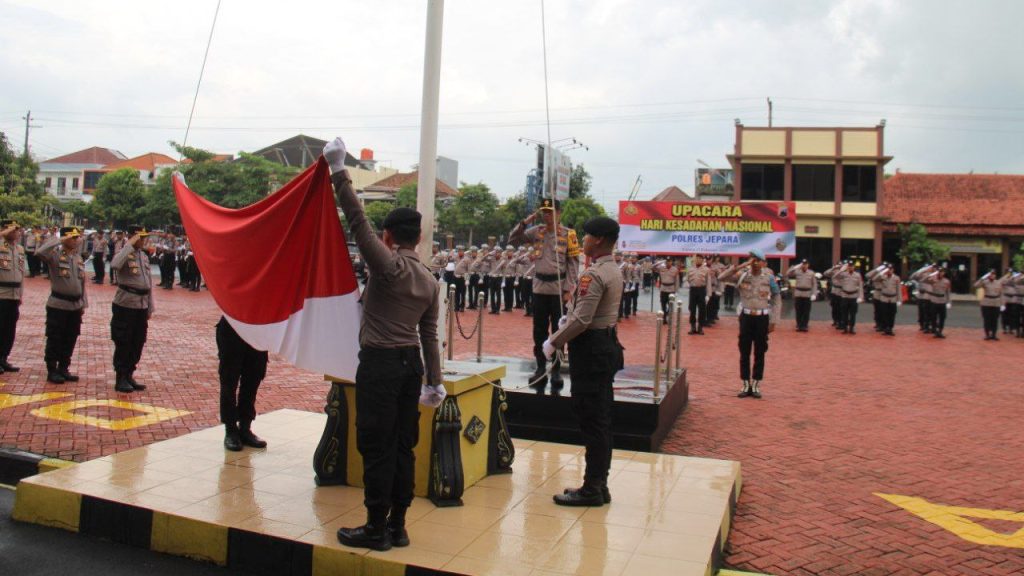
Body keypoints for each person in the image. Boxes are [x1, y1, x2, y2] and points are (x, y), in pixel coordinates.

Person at [325, 137, 443, 552]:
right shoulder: (430, 279)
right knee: (403, 447)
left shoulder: (388, 266)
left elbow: (356, 219)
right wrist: (435, 381)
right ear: (419, 235)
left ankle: (375, 528)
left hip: (380, 364)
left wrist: (338, 169)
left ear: (389, 235)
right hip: (411, 366)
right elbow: (429, 334)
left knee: (375, 446)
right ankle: (398, 525)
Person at [545, 216, 623, 507]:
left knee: (592, 418)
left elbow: (582, 319)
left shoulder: (595, 273)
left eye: (587, 235)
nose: (583, 241)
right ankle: (598, 484)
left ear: (599, 239)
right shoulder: (610, 269)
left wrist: (553, 341)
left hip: (592, 349)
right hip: (604, 345)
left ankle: (592, 487)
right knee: (600, 418)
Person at [509, 198, 581, 390]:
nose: (547, 215)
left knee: (558, 331)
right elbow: (513, 240)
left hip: (558, 289)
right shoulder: (536, 231)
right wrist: (525, 222)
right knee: (539, 330)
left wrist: (568, 289)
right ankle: (540, 367)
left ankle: (556, 369)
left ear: (559, 213)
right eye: (544, 212)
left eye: (550, 211)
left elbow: (574, 263)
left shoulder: (568, 234)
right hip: (539, 287)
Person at [719, 250, 781, 399]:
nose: (755, 263)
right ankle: (745, 383)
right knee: (744, 351)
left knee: (760, 351)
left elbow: (776, 298)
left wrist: (774, 321)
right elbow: (722, 277)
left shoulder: (769, 278)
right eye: (753, 259)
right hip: (746, 318)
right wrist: (741, 266)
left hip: (762, 318)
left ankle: (756, 383)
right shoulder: (742, 275)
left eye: (759, 260)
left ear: (764, 263)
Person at [36, 226, 88, 384]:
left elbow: (82, 282)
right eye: (73, 237)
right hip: (58, 304)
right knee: (55, 338)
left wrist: (83, 303)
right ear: (66, 238)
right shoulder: (55, 255)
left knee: (70, 337)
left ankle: (64, 367)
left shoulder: (78, 258)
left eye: (77, 237)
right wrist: (59, 240)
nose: (77, 240)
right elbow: (39, 253)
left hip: (75, 305)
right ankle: (52, 369)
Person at [110, 225, 154, 393]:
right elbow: (115, 264)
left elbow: (148, 283)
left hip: (141, 304)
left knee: (138, 341)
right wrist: (130, 244)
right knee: (124, 341)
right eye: (140, 237)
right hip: (125, 304)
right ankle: (120, 377)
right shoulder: (123, 252)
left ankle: (129, 374)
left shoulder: (143, 256)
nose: (143, 240)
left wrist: (150, 306)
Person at [217, 316, 269, 451]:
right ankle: (230, 430)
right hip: (232, 325)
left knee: (253, 379)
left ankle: (245, 428)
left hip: (258, 329)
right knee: (229, 381)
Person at [0, 220, 26, 373]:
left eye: (18, 229)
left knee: (10, 329)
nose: (16, 232)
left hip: (14, 294)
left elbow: (21, 273)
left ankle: (3, 358)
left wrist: (20, 294)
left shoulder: (20, 249)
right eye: (13, 229)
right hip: (1, 293)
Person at [868, 264, 901, 336]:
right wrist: (881, 272)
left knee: (892, 314)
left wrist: (899, 300)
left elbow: (898, 289)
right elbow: (873, 278)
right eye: (888, 269)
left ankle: (890, 328)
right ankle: (886, 328)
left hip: (893, 298)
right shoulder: (883, 277)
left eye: (891, 269)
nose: (889, 271)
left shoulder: (896, 278)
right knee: (884, 313)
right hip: (884, 298)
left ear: (893, 270)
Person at [786, 259, 818, 332]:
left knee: (806, 311)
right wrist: (795, 267)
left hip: (807, 293)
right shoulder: (797, 271)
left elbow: (814, 284)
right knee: (798, 310)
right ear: (801, 264)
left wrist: (814, 294)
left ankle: (805, 325)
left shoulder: (811, 273)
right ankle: (799, 325)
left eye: (806, 264)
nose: (804, 265)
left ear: (808, 265)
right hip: (798, 293)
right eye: (803, 264)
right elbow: (788, 273)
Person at [974, 270, 1003, 340]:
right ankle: (987, 334)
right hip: (986, 302)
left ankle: (994, 334)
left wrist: (1002, 303)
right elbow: (976, 285)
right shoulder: (985, 282)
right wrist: (982, 278)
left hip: (996, 302)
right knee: (987, 319)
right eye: (991, 274)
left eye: (994, 274)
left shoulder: (998, 282)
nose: (992, 276)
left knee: (995, 319)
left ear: (995, 275)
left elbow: (1001, 293)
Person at [685, 254, 709, 335]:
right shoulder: (690, 269)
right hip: (693, 290)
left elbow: (708, 283)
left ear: (702, 260)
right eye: (697, 259)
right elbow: (687, 279)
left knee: (702, 310)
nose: (698, 260)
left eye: (700, 259)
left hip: (702, 290)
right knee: (692, 309)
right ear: (695, 260)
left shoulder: (706, 270)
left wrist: (708, 295)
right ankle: (693, 327)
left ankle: (700, 327)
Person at [927, 267, 952, 338]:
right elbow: (924, 280)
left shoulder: (946, 281)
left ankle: (940, 331)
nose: (942, 273)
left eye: (943, 272)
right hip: (934, 300)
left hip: (942, 300)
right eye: (940, 272)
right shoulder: (933, 280)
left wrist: (949, 302)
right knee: (933, 317)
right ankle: (935, 330)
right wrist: (933, 274)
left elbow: (948, 292)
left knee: (942, 317)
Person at [911, 264, 937, 333]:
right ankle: (923, 325)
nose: (931, 269)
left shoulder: (934, 275)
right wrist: (922, 270)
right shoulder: (921, 274)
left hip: (930, 296)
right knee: (922, 312)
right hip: (922, 296)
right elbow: (912, 277)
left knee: (930, 312)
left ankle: (930, 325)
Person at [453, 246, 472, 312]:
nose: (460, 252)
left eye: (461, 251)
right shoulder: (455, 257)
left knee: (463, 293)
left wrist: (467, 279)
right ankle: (457, 306)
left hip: (462, 278)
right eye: (459, 251)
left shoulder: (467, 259)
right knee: (456, 293)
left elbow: (469, 271)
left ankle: (462, 306)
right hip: (456, 277)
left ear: (463, 251)